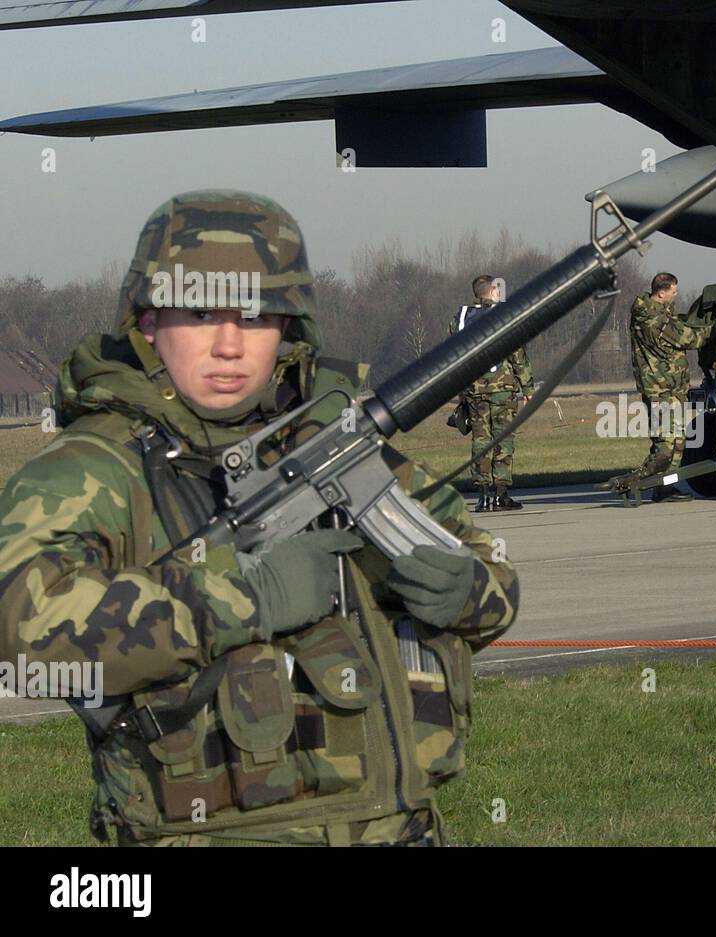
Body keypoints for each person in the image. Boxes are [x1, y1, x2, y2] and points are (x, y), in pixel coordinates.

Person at [0, 191, 518, 846]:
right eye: (198, 313)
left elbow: (490, 572)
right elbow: (16, 626)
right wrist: (235, 596)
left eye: (252, 315)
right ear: (149, 322)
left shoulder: (334, 444)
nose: (227, 344)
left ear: (288, 327)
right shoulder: (97, 466)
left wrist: (469, 588)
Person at [450, 274, 535, 511]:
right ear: (493, 292)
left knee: (480, 441)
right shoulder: (504, 316)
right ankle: (501, 494)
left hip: (474, 390)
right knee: (503, 440)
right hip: (502, 389)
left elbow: (453, 356)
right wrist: (527, 387)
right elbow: (517, 354)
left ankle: (483, 494)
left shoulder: (461, 318)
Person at [624, 272, 707, 502]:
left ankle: (666, 486)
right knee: (666, 441)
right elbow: (690, 339)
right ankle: (642, 481)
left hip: (671, 387)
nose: (676, 294)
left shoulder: (660, 313)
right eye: (673, 290)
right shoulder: (653, 318)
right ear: (661, 292)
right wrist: (715, 328)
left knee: (677, 441)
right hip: (660, 389)